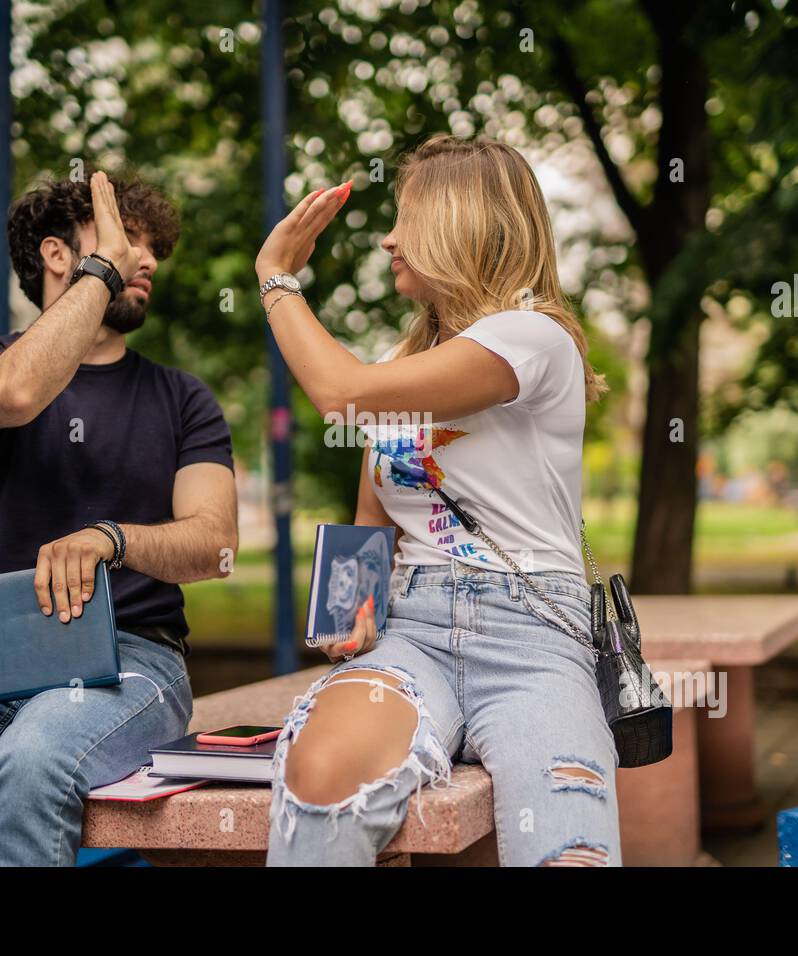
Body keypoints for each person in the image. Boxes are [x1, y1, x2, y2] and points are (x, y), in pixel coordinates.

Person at [0, 172, 238, 866]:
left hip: (136, 656)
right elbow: (15, 392)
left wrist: (112, 538)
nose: (145, 258)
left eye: (152, 245)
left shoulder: (182, 398)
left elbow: (216, 547)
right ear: (59, 255)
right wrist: (103, 271)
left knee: (31, 767)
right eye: (126, 238)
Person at [254, 134, 620, 866]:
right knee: (319, 775)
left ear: (464, 225)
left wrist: (275, 278)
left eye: (407, 218)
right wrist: (343, 618)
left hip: (534, 644)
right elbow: (375, 516)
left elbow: (339, 392)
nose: (389, 238)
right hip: (411, 632)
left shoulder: (534, 338)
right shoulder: (403, 361)